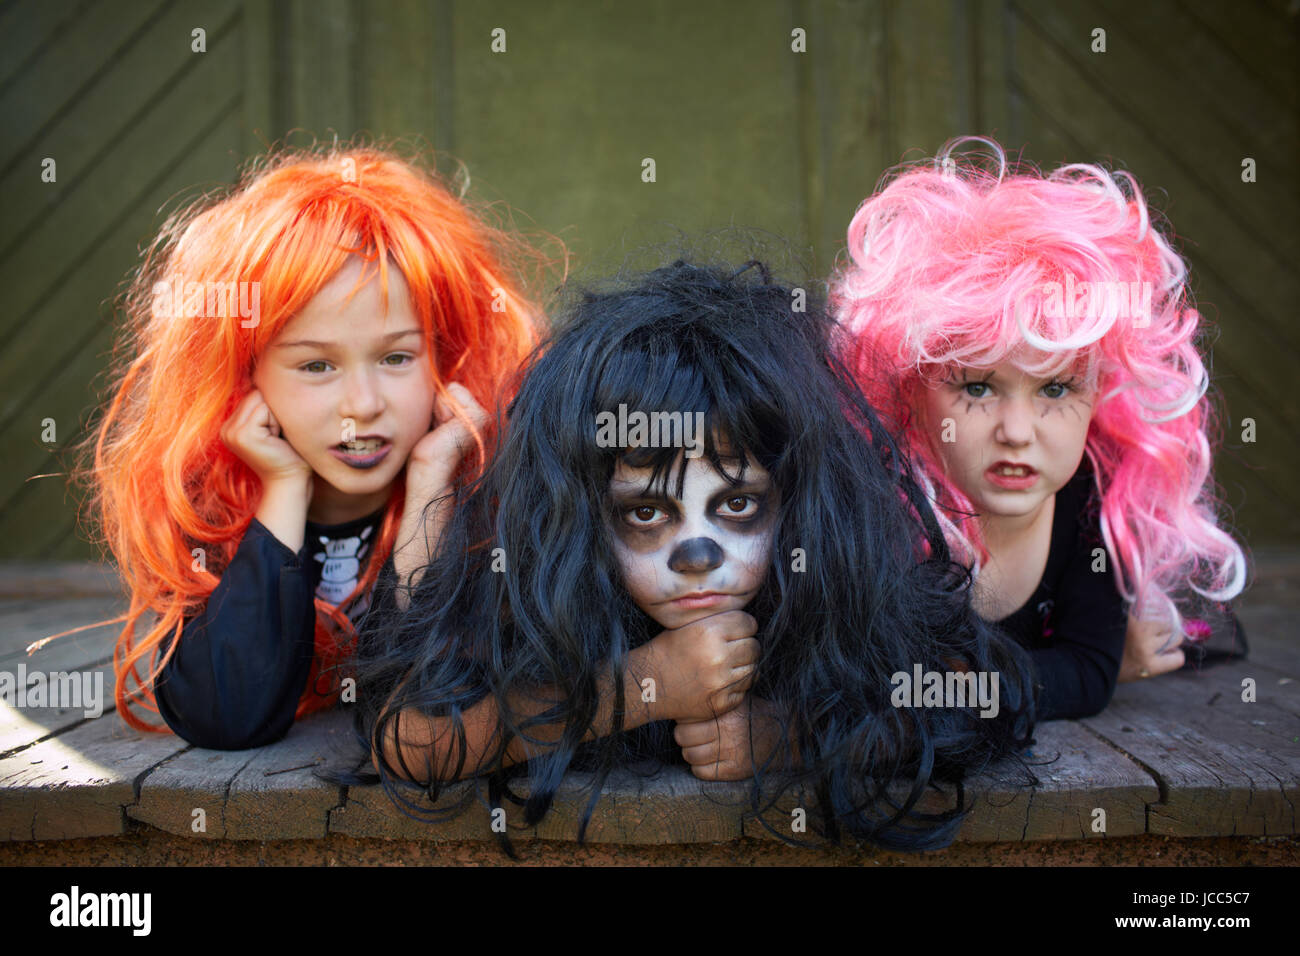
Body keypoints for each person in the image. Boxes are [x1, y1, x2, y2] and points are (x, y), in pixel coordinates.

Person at [358, 259, 1034, 851]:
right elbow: (411, 742)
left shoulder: (837, 600)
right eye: (646, 513)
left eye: (738, 505)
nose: (697, 554)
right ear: (583, 517)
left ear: (799, 501)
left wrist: (791, 736)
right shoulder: (542, 602)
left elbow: (981, 696)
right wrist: (634, 687)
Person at [80, 146, 540, 749]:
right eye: (317, 365)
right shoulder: (212, 509)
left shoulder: (490, 496)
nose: (362, 403)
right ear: (245, 377)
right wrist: (284, 490)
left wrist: (433, 485)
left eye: (397, 357)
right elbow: (228, 715)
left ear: (443, 359)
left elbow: (419, 719)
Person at [832, 138, 1248, 721]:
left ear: (1101, 393)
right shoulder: (882, 504)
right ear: (909, 389)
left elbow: (1085, 674)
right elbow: (872, 683)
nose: (1017, 432)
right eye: (976, 387)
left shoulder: (1091, 505)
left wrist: (1093, 667)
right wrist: (1047, 676)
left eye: (1055, 389)